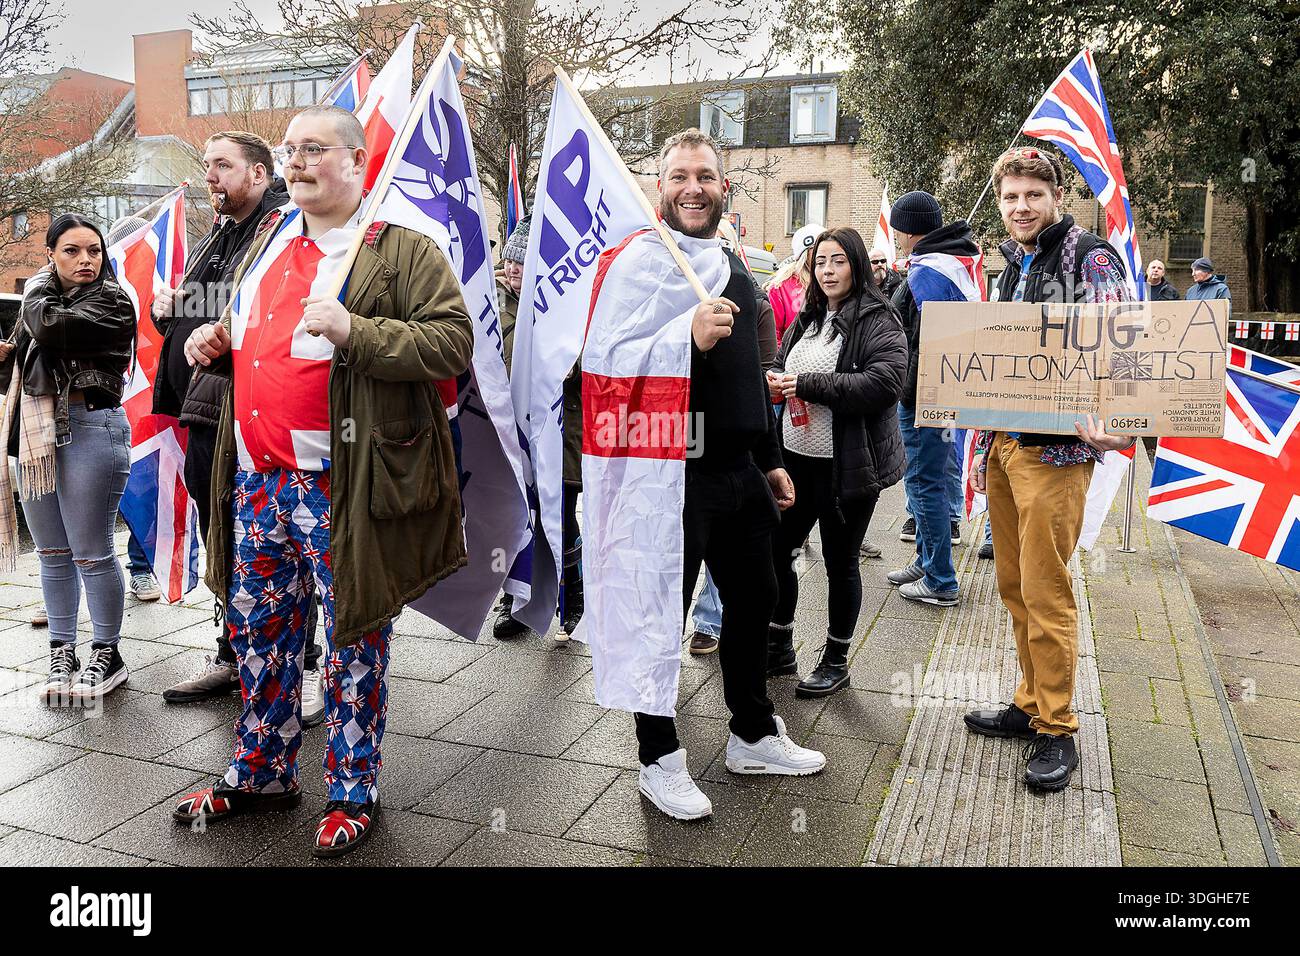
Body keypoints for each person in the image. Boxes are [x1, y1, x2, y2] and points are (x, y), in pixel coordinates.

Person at [170, 105, 473, 857]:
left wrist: (355, 330)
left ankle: (351, 790)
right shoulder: (268, 240)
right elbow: (258, 333)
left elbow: (451, 342)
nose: (297, 162)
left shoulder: (401, 250)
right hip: (256, 483)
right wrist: (222, 339)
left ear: (358, 161)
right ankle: (262, 771)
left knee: (351, 642)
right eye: (289, 150)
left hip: (341, 483)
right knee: (258, 636)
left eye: (313, 149)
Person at [611, 128, 825, 821]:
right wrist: (684, 338)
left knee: (758, 596)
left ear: (723, 186)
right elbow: (605, 365)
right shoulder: (640, 264)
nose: (693, 188)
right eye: (679, 177)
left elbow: (750, 377)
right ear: (661, 187)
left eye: (704, 175)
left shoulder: (733, 266)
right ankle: (658, 759)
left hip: (739, 468)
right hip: (668, 471)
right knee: (658, 618)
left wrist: (769, 460)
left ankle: (753, 733)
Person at [964, 147, 1135, 792]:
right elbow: (997, 363)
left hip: (1058, 453)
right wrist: (982, 446)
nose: (1020, 207)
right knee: (1013, 584)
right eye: (1010, 197)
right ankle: (1030, 700)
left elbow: (1121, 340)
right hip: (1008, 446)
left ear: (1056, 198)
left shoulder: (1089, 257)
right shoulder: (1013, 266)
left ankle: (1058, 727)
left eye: (1032, 195)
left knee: (1047, 588)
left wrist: (1118, 418)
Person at [149, 133, 321, 713]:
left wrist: (188, 305)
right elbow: (206, 300)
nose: (211, 176)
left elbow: (247, 306)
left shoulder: (277, 228)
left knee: (260, 532)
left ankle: (298, 658)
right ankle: (235, 650)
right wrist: (172, 306)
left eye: (222, 165)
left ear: (258, 172)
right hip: (204, 402)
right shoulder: (223, 230)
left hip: (244, 407)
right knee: (219, 530)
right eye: (207, 165)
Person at [0, 214, 136, 703]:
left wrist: (37, 287)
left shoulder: (113, 301)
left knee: (92, 553)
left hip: (91, 428)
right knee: (53, 555)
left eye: (94, 251)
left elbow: (51, 328)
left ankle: (107, 652)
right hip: (37, 437)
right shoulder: (46, 300)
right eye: (72, 251)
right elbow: (34, 354)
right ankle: (62, 649)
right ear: (53, 254)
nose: (86, 260)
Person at [766, 226, 906, 697]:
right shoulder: (809, 315)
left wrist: (804, 384)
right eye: (820, 262)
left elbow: (884, 385)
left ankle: (836, 658)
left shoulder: (878, 319)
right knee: (778, 550)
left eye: (838, 261)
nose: (827, 271)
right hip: (796, 459)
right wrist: (776, 380)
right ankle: (780, 643)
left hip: (847, 465)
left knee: (840, 561)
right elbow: (787, 366)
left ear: (857, 266)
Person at [885, 191, 983, 606]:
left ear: (906, 230)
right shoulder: (950, 264)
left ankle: (941, 578)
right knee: (930, 478)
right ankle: (927, 560)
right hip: (936, 394)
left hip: (927, 396)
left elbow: (936, 340)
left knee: (925, 482)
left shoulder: (928, 273)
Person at [765, 223, 820, 345]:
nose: (822, 255)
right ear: (805, 254)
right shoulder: (780, 288)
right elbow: (773, 335)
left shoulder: (834, 283)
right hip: (793, 359)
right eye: (816, 249)